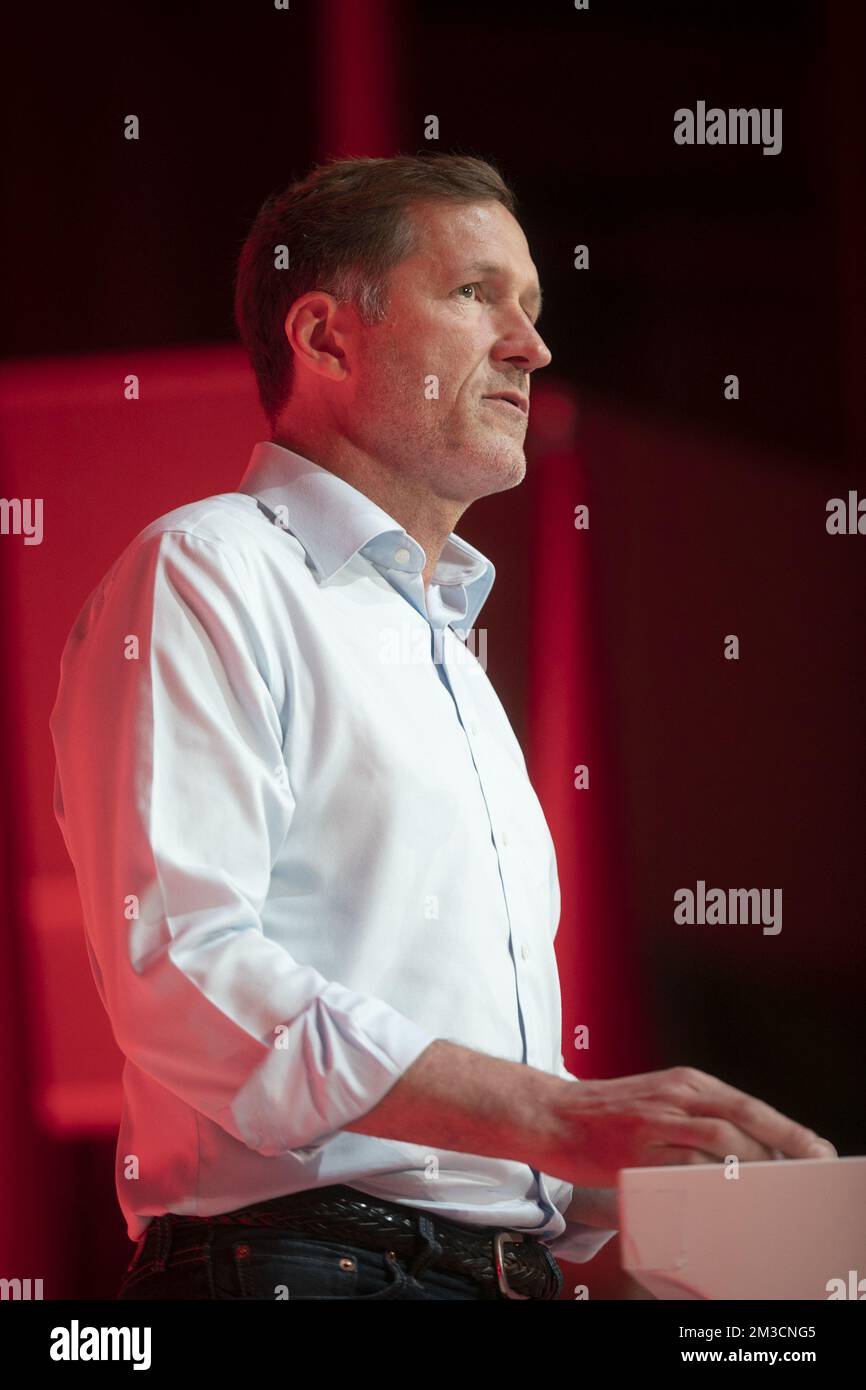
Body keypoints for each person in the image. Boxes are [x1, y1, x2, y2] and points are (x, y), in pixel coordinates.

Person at [49, 153, 837, 1302]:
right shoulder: (208, 568)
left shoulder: (445, 648)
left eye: (530, 307)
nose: (529, 345)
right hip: (302, 1270)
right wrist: (563, 1116)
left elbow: (468, 1117)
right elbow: (185, 966)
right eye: (476, 294)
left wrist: (656, 1221)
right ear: (325, 338)